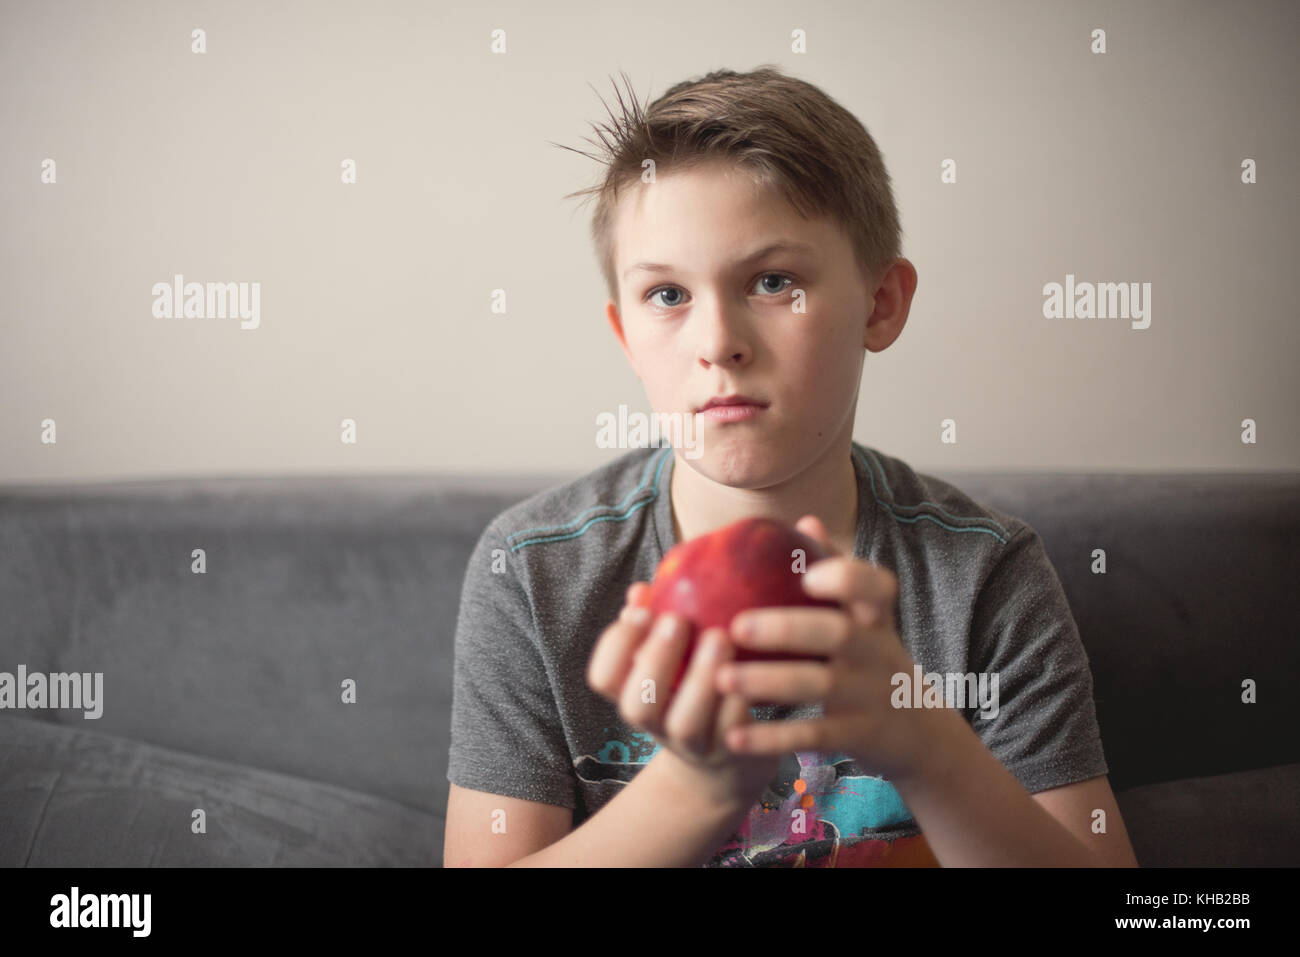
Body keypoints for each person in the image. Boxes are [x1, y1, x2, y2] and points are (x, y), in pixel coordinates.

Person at [443, 65, 1138, 867]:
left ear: (881, 304)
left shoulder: (982, 573)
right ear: (626, 334)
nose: (717, 342)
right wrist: (698, 787)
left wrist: (925, 744)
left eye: (773, 282)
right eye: (667, 296)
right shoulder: (534, 569)